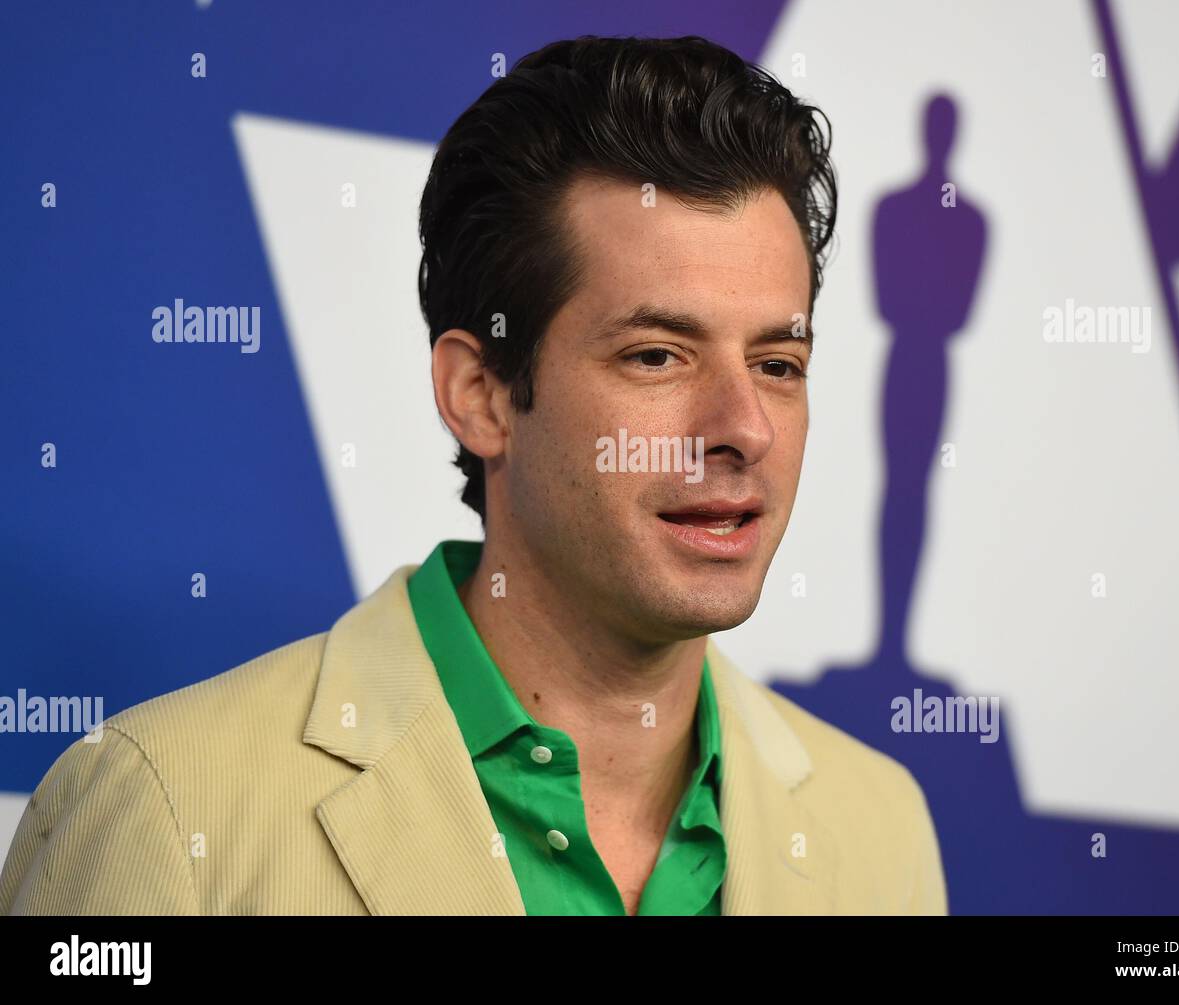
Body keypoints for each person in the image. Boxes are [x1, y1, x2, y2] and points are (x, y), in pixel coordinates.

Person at [0, 34, 946, 916]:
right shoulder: (164, 808)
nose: (743, 427)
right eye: (658, 356)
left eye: (778, 364)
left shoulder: (880, 828)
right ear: (481, 394)